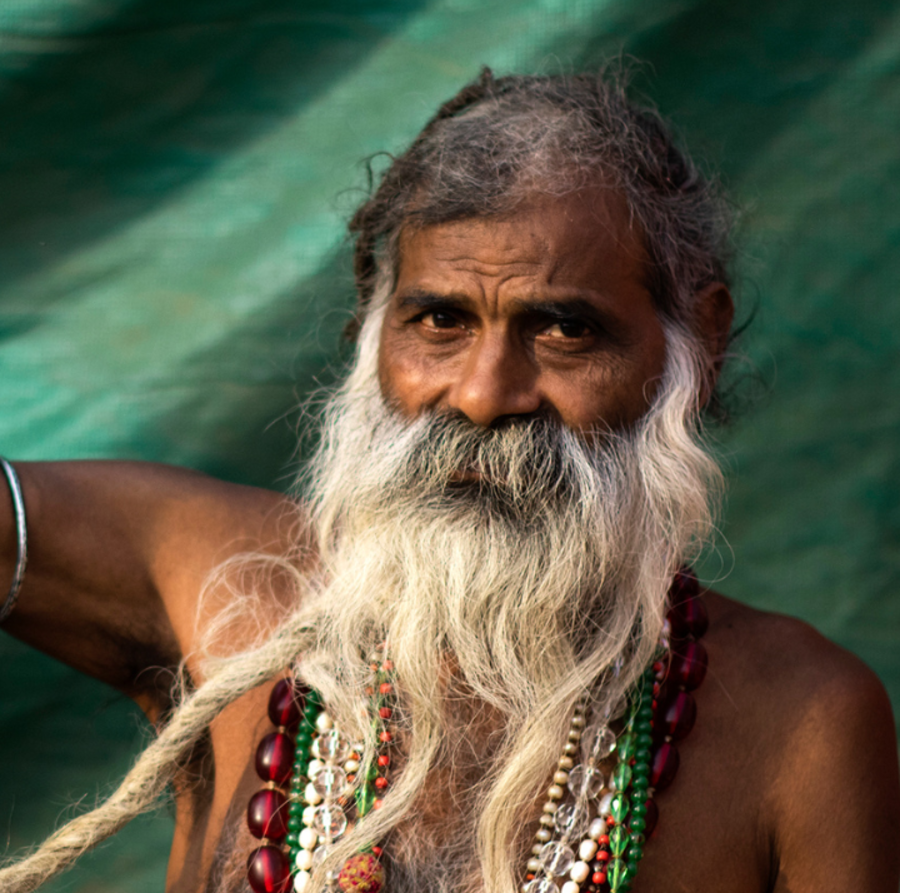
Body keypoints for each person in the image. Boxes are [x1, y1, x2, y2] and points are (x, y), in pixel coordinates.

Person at [1, 70, 898, 893]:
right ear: (372, 330)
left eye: (562, 331)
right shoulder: (215, 583)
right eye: (438, 319)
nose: (481, 396)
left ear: (692, 348)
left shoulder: (802, 726)